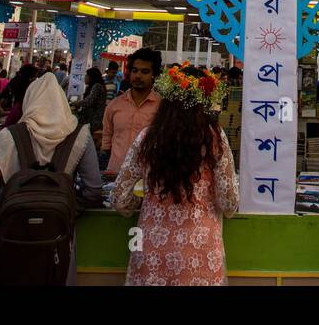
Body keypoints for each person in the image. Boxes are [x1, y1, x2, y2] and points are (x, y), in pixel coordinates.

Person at [0, 73, 102, 284]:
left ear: (29, 101)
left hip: (7, 239)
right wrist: (64, 208)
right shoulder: (80, 136)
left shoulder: (7, 137)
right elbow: (93, 190)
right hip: (59, 239)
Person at [111, 65, 238, 285]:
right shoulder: (215, 138)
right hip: (200, 251)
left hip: (151, 247)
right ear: (204, 100)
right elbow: (229, 202)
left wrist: (145, 201)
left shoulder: (148, 137)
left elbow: (119, 198)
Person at [101, 49, 162, 173]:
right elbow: (106, 142)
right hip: (115, 175)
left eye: (145, 71)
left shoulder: (162, 108)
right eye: (135, 70)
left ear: (154, 75)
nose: (138, 76)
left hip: (147, 178)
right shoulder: (114, 106)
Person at [78, 67, 107, 142]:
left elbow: (89, 101)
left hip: (93, 121)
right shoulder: (93, 87)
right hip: (92, 119)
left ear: (91, 77)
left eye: (86, 75)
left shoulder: (97, 86)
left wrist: (77, 103)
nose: (85, 77)